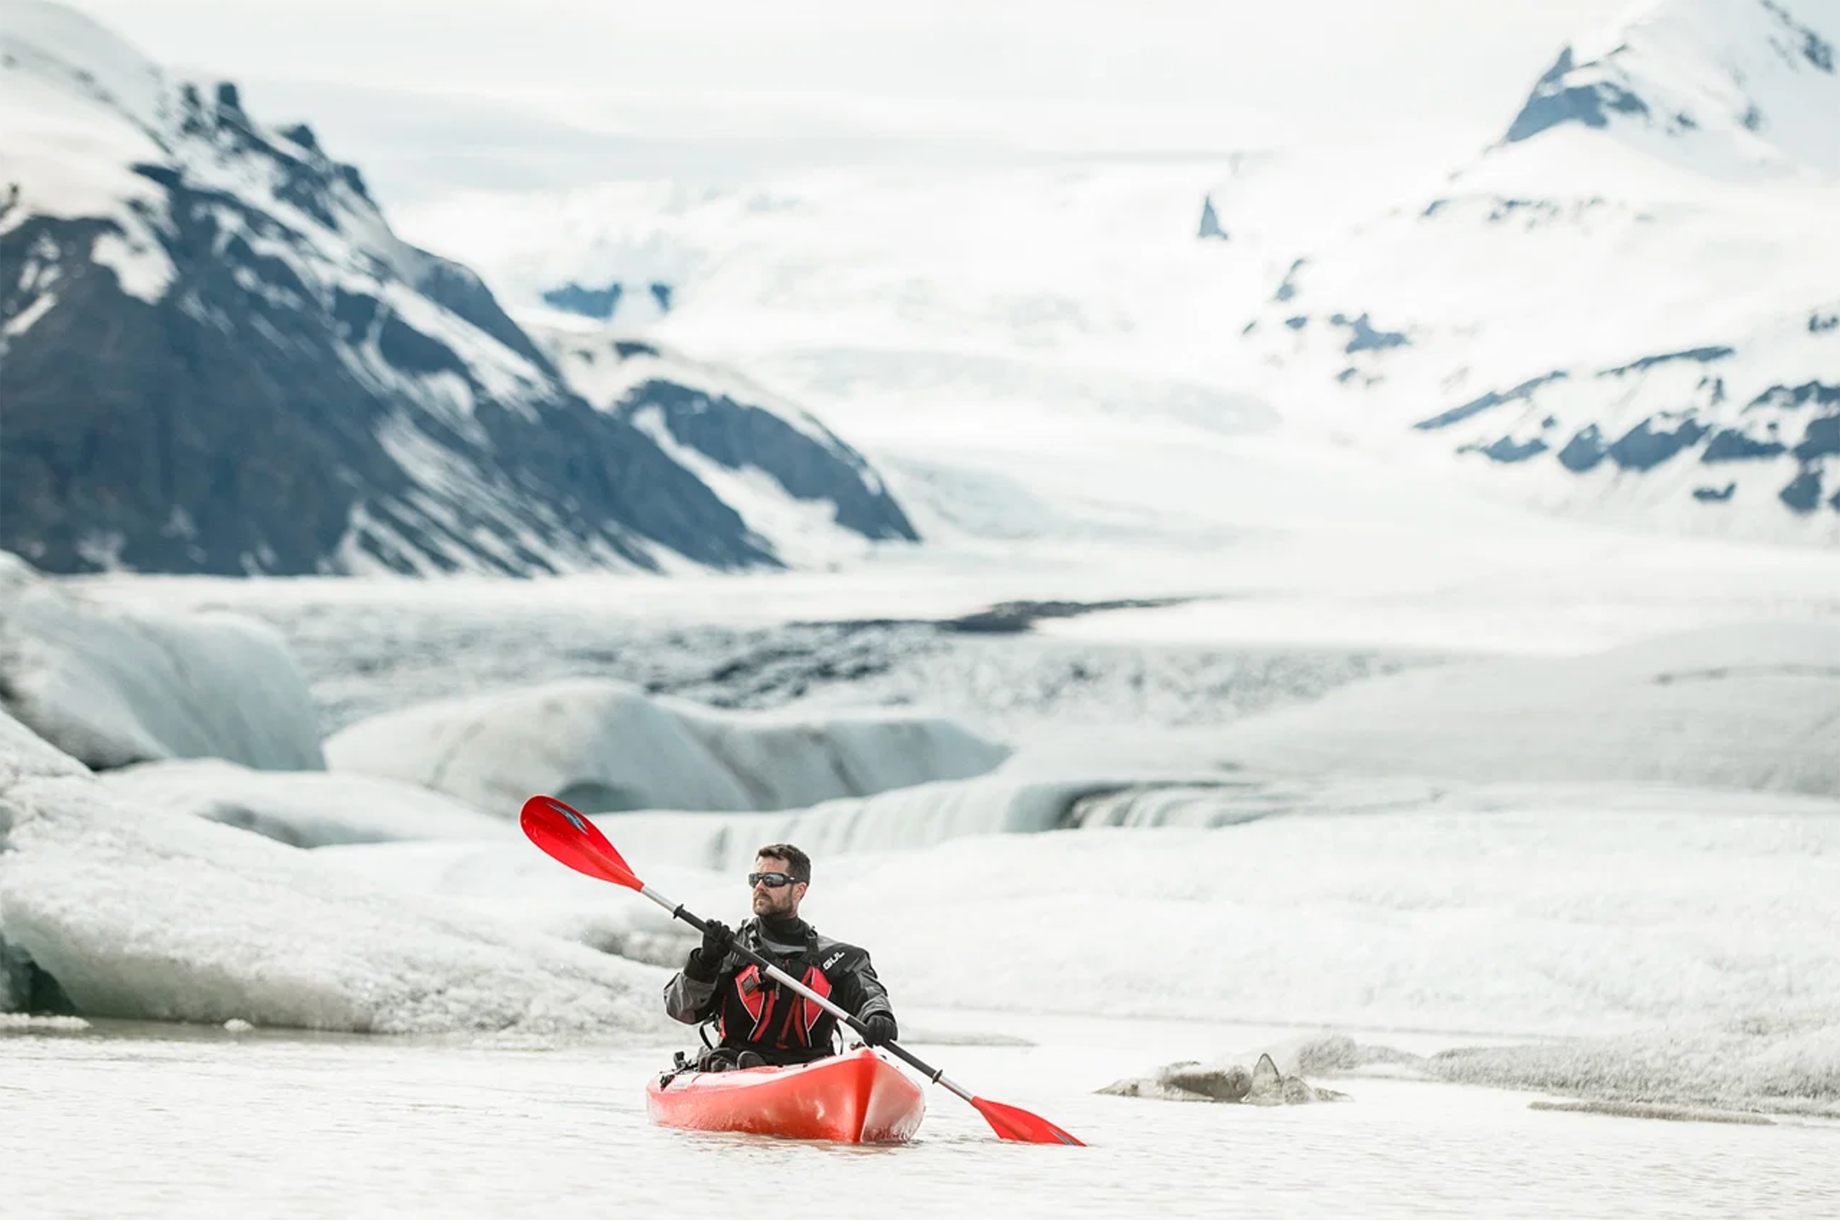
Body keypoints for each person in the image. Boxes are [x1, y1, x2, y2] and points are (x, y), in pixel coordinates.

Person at [664, 842, 899, 1071]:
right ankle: (747, 1070)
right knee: (730, 1062)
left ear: (799, 890)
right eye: (755, 879)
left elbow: (870, 994)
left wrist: (878, 1015)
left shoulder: (836, 957)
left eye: (771, 880)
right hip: (734, 1065)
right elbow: (680, 1009)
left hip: (812, 1069)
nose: (760, 887)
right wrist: (705, 962)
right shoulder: (730, 948)